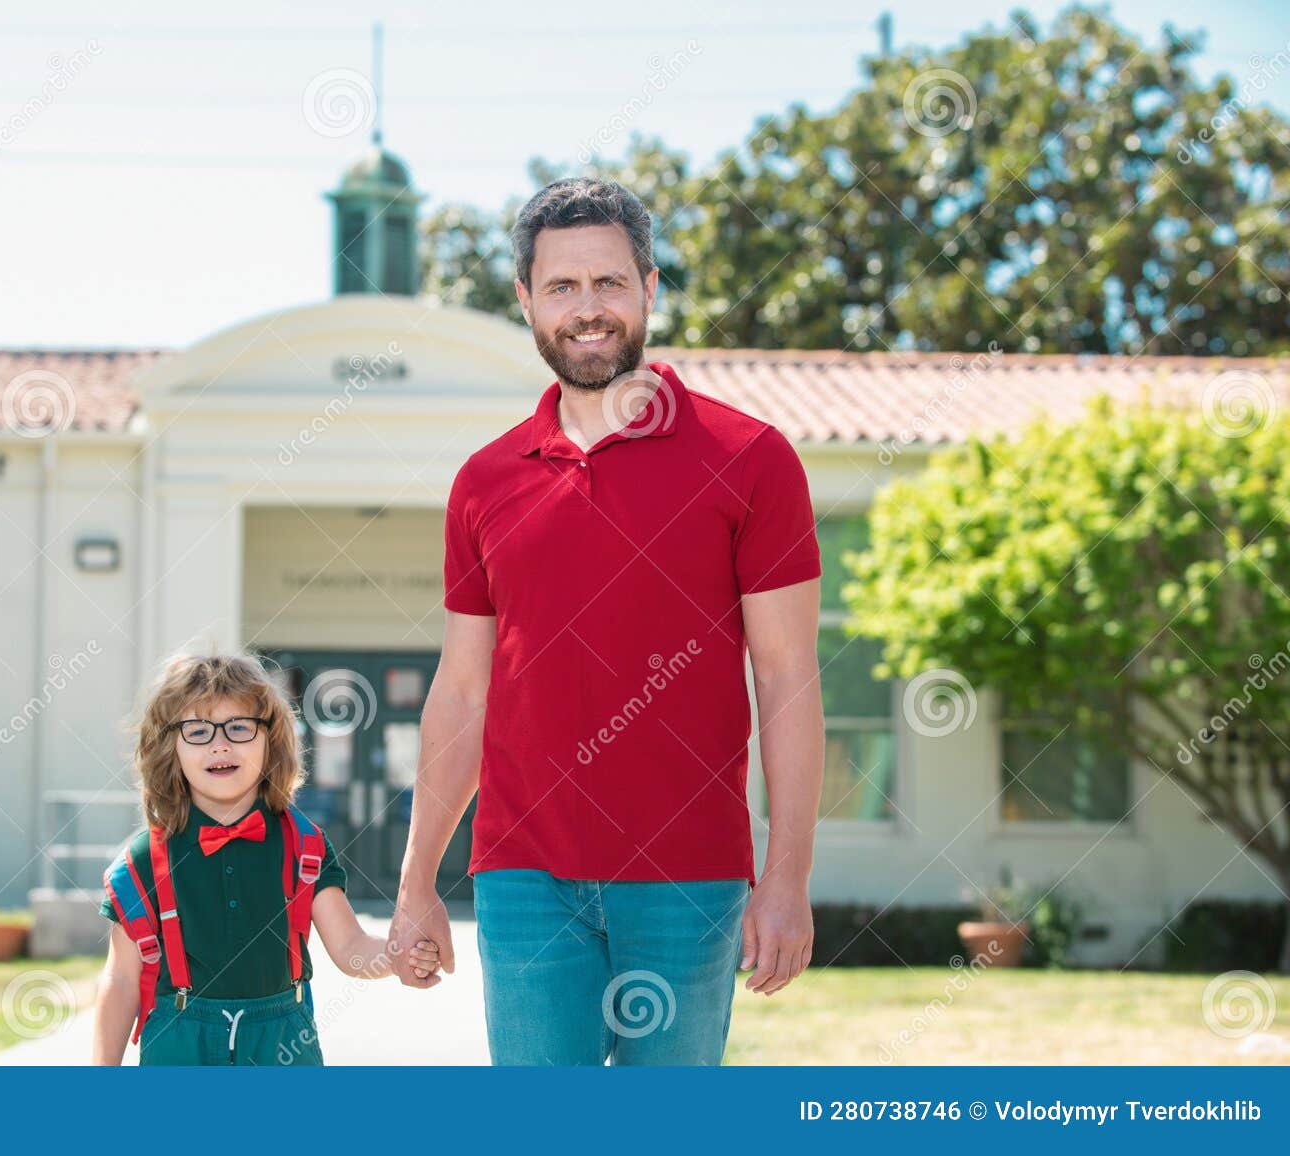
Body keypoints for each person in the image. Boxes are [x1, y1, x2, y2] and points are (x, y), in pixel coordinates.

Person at [388, 177, 824, 1065]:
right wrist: (415, 882)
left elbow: (786, 678)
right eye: (561, 288)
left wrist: (786, 876)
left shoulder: (751, 461)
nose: (588, 310)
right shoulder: (485, 480)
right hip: (522, 879)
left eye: (609, 284)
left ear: (650, 288)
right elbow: (464, 690)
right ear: (525, 300)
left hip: (690, 879)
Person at [92, 650, 439, 1065]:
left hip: (282, 1042)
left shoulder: (304, 844)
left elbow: (349, 946)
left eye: (238, 727)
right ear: (171, 748)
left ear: (270, 741)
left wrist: (394, 957)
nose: (220, 745)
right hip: (179, 1042)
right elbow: (122, 980)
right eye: (198, 731)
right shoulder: (144, 859)